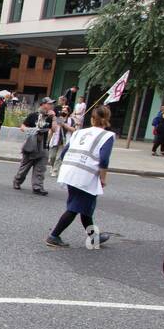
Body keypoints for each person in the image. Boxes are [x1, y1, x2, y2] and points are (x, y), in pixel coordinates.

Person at [46, 105, 116, 248]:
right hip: (86, 176)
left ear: (92, 118)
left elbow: (64, 152)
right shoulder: (107, 136)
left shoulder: (79, 132)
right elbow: (103, 160)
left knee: (85, 207)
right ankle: (54, 235)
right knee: (75, 207)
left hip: (70, 172)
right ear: (107, 119)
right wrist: (103, 178)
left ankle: (94, 237)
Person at [15, 97, 53, 195]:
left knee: (40, 169)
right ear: (43, 104)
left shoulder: (50, 117)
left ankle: (37, 187)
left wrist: (55, 117)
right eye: (49, 104)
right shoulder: (33, 115)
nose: (50, 106)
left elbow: (55, 129)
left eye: (51, 104)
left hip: (44, 146)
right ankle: (17, 181)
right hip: (32, 145)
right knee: (25, 167)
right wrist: (32, 131)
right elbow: (22, 127)